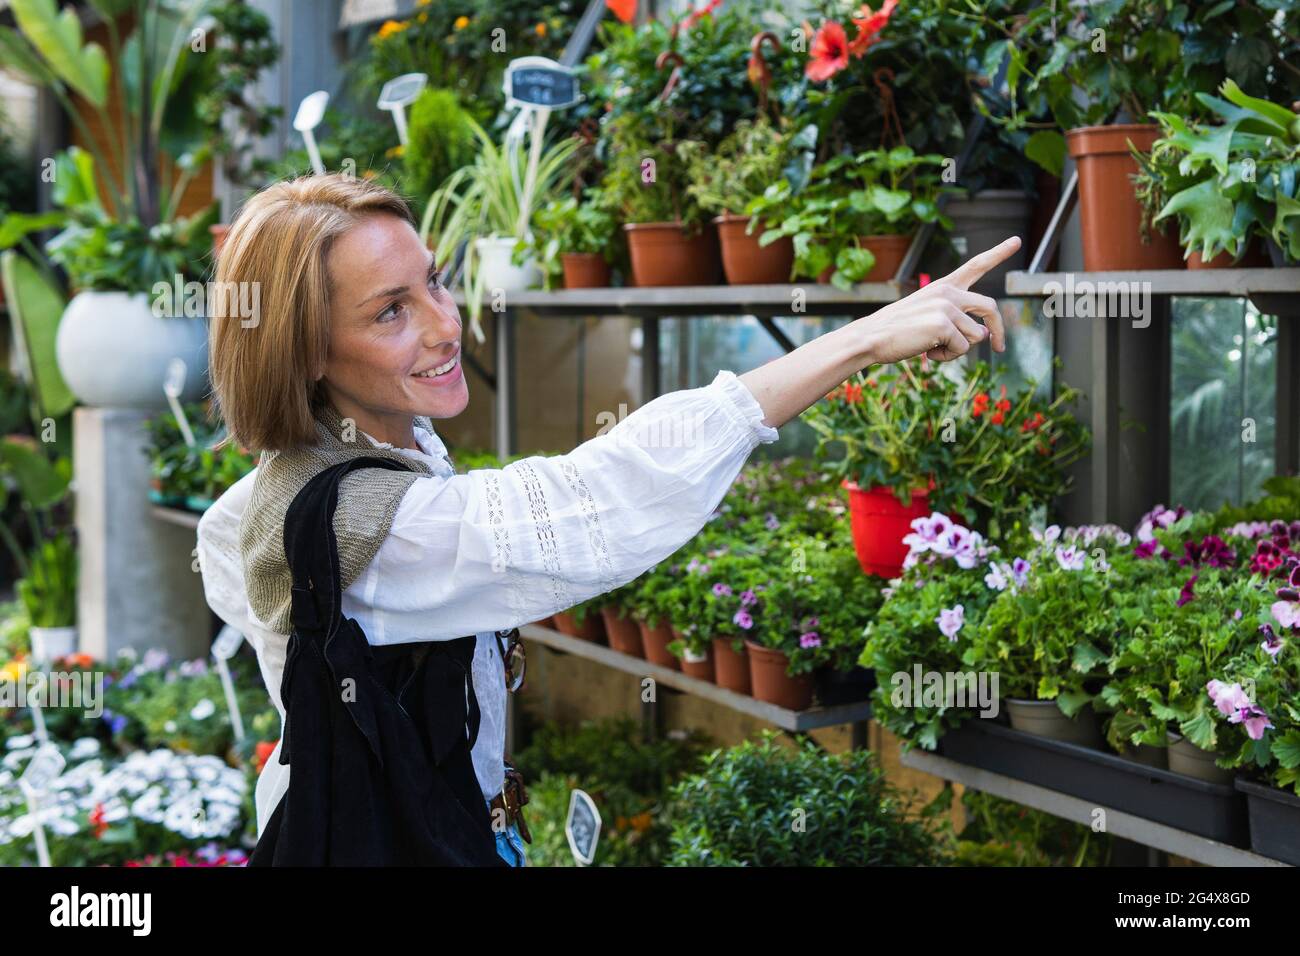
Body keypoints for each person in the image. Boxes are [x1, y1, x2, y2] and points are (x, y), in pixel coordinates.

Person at [195, 172, 1016, 866]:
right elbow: (598, 502)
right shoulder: (371, 526)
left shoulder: (338, 458)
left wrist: (309, 666)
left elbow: (226, 542)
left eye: (435, 281)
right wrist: (863, 342)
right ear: (305, 352)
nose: (447, 325)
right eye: (390, 313)